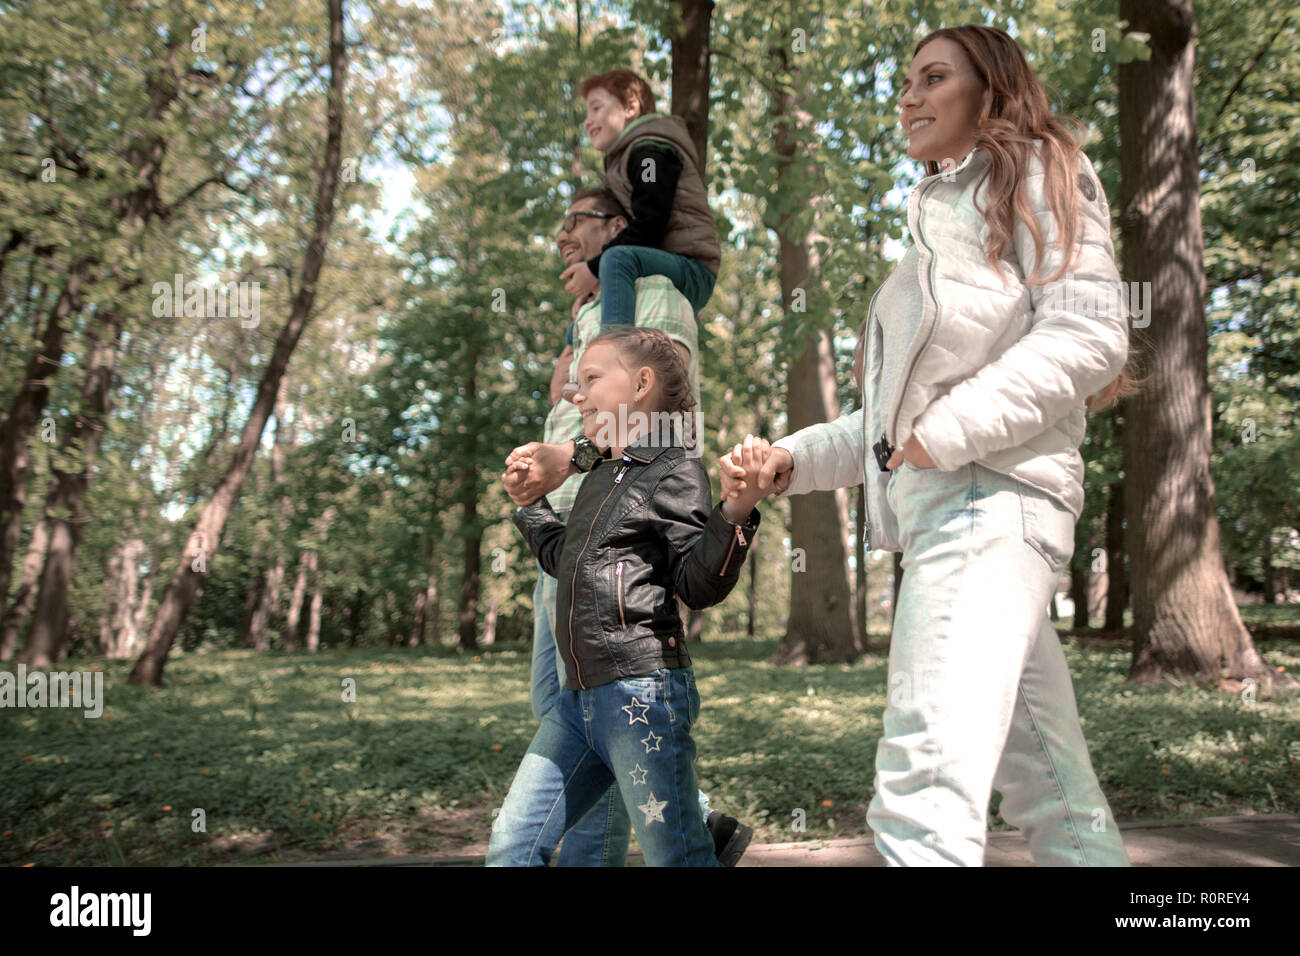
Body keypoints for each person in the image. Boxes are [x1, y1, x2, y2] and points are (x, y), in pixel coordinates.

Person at [720, 25, 1136, 866]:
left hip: (988, 503)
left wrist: (942, 434)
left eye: (933, 78)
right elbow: (888, 430)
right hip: (960, 508)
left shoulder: (1043, 172)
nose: (908, 97)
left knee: (923, 791)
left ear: (993, 91)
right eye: (906, 81)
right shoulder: (935, 228)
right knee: (1054, 795)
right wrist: (790, 460)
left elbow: (1092, 335)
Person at [505, 187, 752, 865]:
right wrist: (537, 493)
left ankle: (687, 826)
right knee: (555, 700)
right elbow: (604, 425)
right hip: (579, 515)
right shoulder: (587, 314)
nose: (564, 236)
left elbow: (657, 427)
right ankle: (701, 819)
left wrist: (735, 514)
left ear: (618, 226)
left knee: (589, 715)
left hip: (632, 638)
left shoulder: (650, 293)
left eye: (577, 220)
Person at [558, 69, 721, 332]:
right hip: (654, 261)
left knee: (615, 260)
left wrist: (594, 269)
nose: (587, 121)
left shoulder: (649, 153)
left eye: (596, 108)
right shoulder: (624, 161)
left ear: (630, 106)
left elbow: (651, 224)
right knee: (583, 318)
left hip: (691, 268)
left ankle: (615, 353)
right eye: (587, 113)